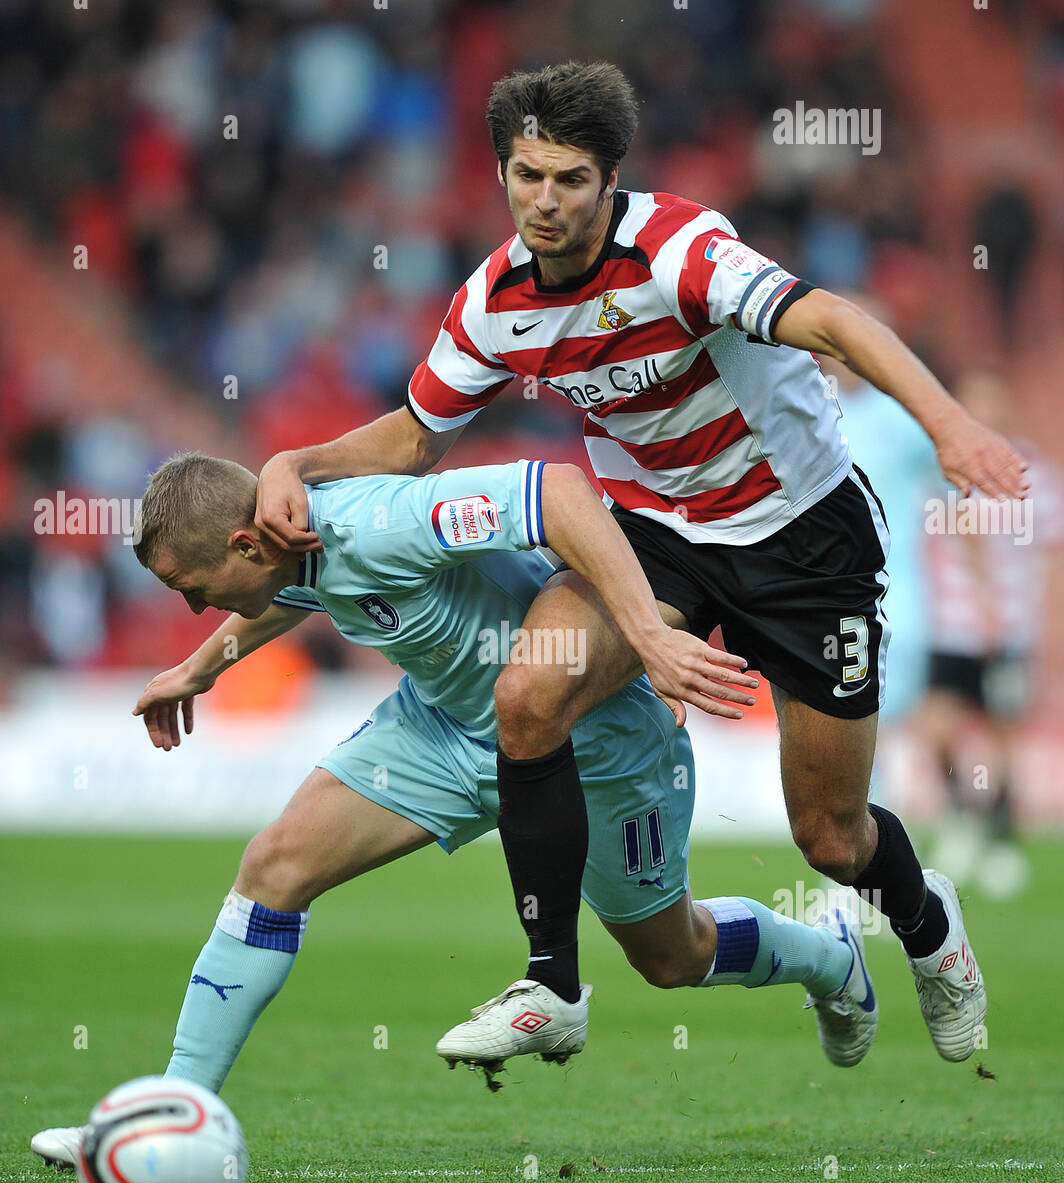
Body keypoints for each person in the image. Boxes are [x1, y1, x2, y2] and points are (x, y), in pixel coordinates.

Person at [254, 62, 1026, 1066]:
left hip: (801, 538)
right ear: (499, 172)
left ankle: (926, 929)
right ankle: (550, 981)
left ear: (610, 179)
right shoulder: (493, 302)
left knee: (829, 837)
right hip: (655, 535)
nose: (544, 199)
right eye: (526, 175)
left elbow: (832, 319)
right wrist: (291, 460)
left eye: (569, 178)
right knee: (526, 697)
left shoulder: (677, 253)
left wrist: (951, 427)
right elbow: (411, 437)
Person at [32, 450, 875, 1168]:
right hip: (440, 728)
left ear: (244, 540)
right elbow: (288, 593)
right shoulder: (288, 551)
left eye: (193, 586)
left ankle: (830, 959)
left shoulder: (381, 518)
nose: (193, 606)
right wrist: (200, 668)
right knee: (273, 867)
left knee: (670, 955)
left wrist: (646, 633)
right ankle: (173, 1121)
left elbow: (557, 494)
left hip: (589, 739)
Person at [918, 367, 1063, 898]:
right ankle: (963, 817)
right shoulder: (944, 465)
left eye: (990, 398)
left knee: (1003, 733)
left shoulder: (1035, 473)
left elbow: (1050, 553)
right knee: (935, 729)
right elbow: (939, 535)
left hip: (1010, 630)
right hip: (954, 626)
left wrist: (1036, 623)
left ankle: (1000, 839)